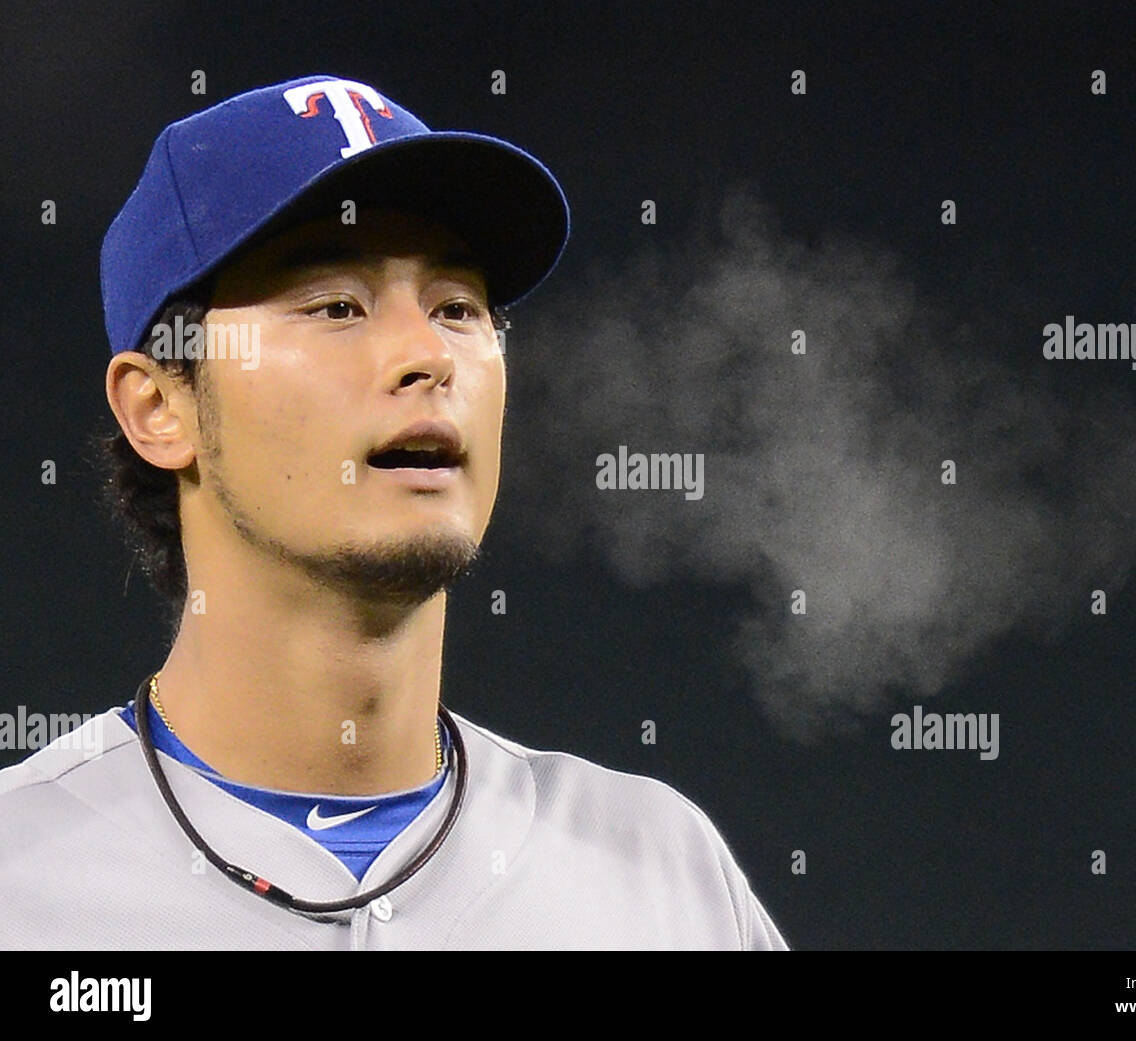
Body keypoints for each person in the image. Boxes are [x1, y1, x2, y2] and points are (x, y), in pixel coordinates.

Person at [0, 75, 787, 950]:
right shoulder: (20, 881)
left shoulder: (663, 875)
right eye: (337, 306)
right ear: (159, 407)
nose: (428, 355)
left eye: (458, 308)